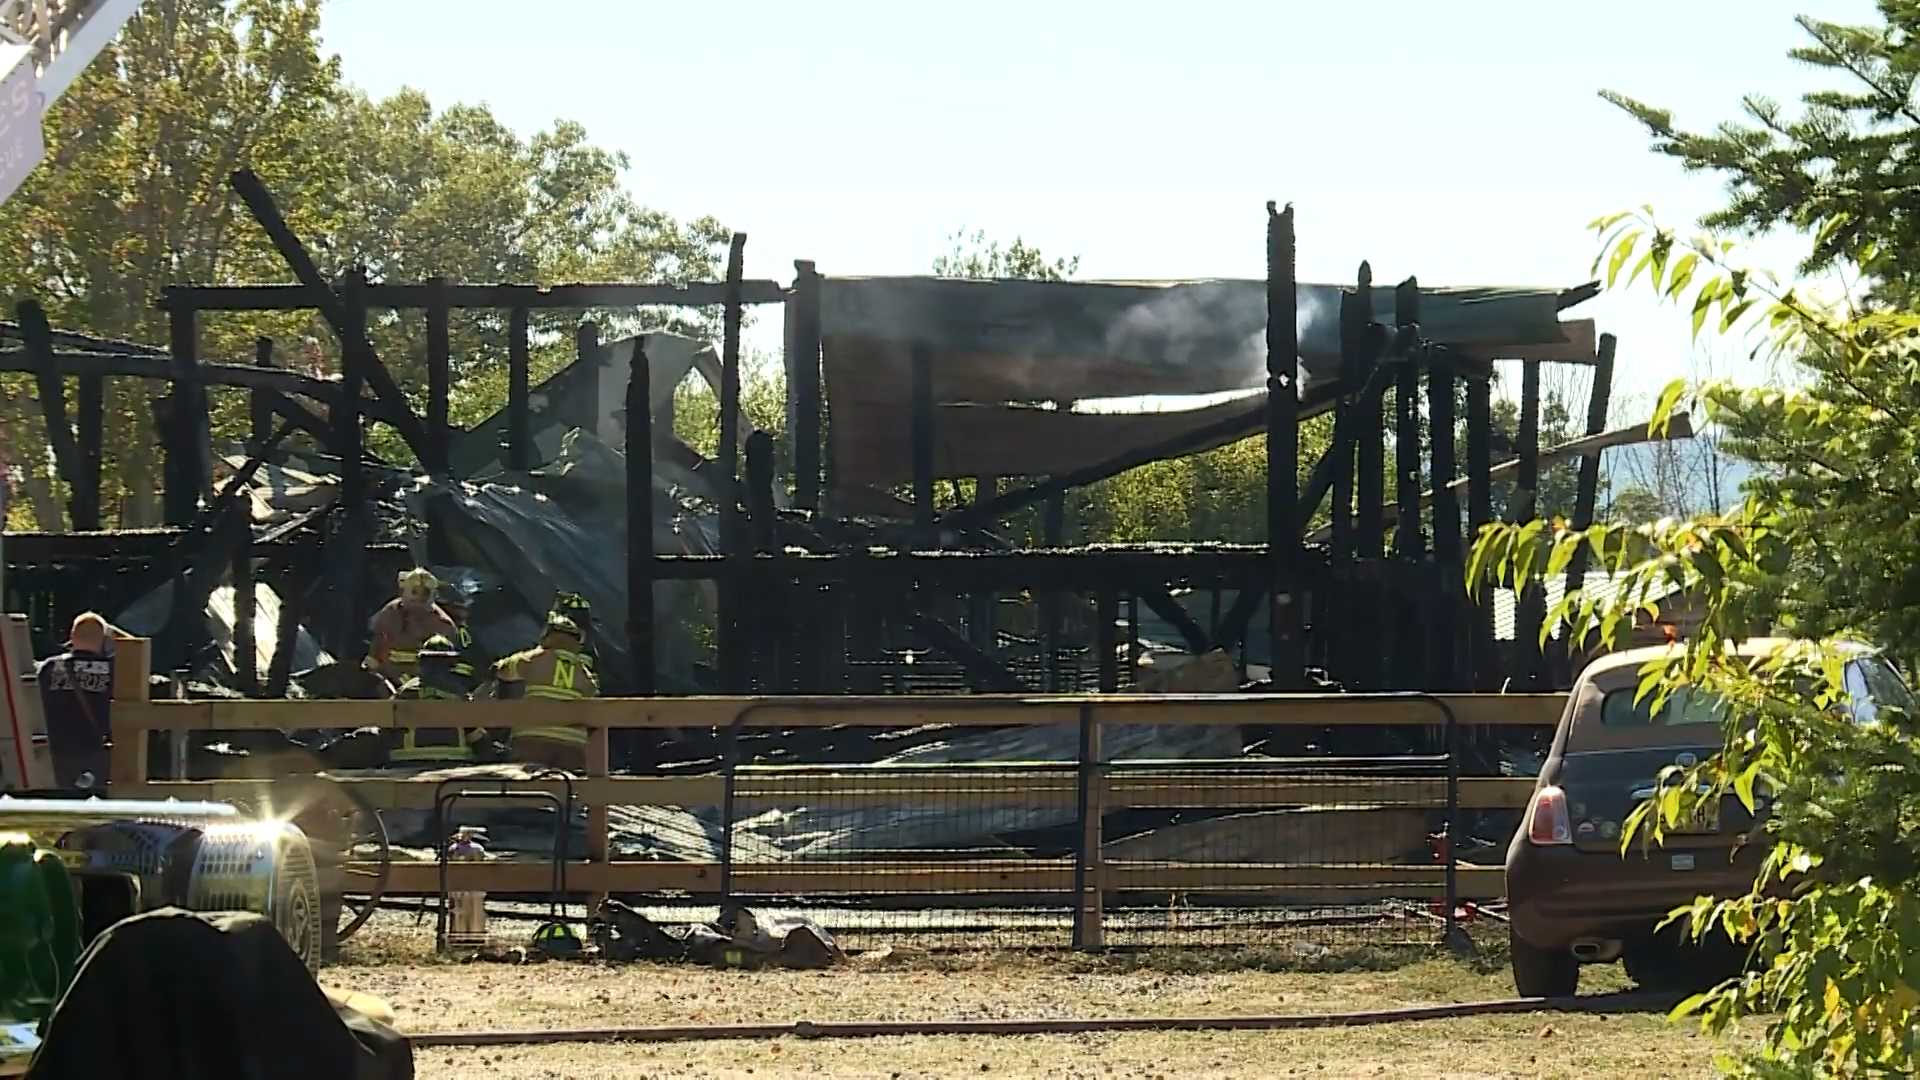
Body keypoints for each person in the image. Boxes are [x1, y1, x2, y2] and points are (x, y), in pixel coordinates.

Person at [493, 615, 598, 770]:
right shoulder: (583, 672)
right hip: (573, 745)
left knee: (528, 789)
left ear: (547, 634)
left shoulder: (535, 658)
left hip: (532, 739)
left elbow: (503, 671)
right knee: (567, 789)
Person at [36, 612, 117, 791]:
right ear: (104, 640)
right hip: (93, 755)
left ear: (72, 636)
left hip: (54, 756)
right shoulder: (114, 670)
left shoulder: (50, 667)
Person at [389, 636, 493, 764]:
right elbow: (475, 736)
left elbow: (386, 730)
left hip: (407, 762)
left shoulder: (405, 692)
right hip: (452, 763)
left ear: (421, 662)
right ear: (451, 664)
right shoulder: (459, 695)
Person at [366, 568, 456, 683]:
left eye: (425, 593)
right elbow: (376, 645)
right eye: (414, 591)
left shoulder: (443, 625)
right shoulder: (389, 612)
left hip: (423, 683)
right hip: (387, 678)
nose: (419, 597)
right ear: (403, 592)